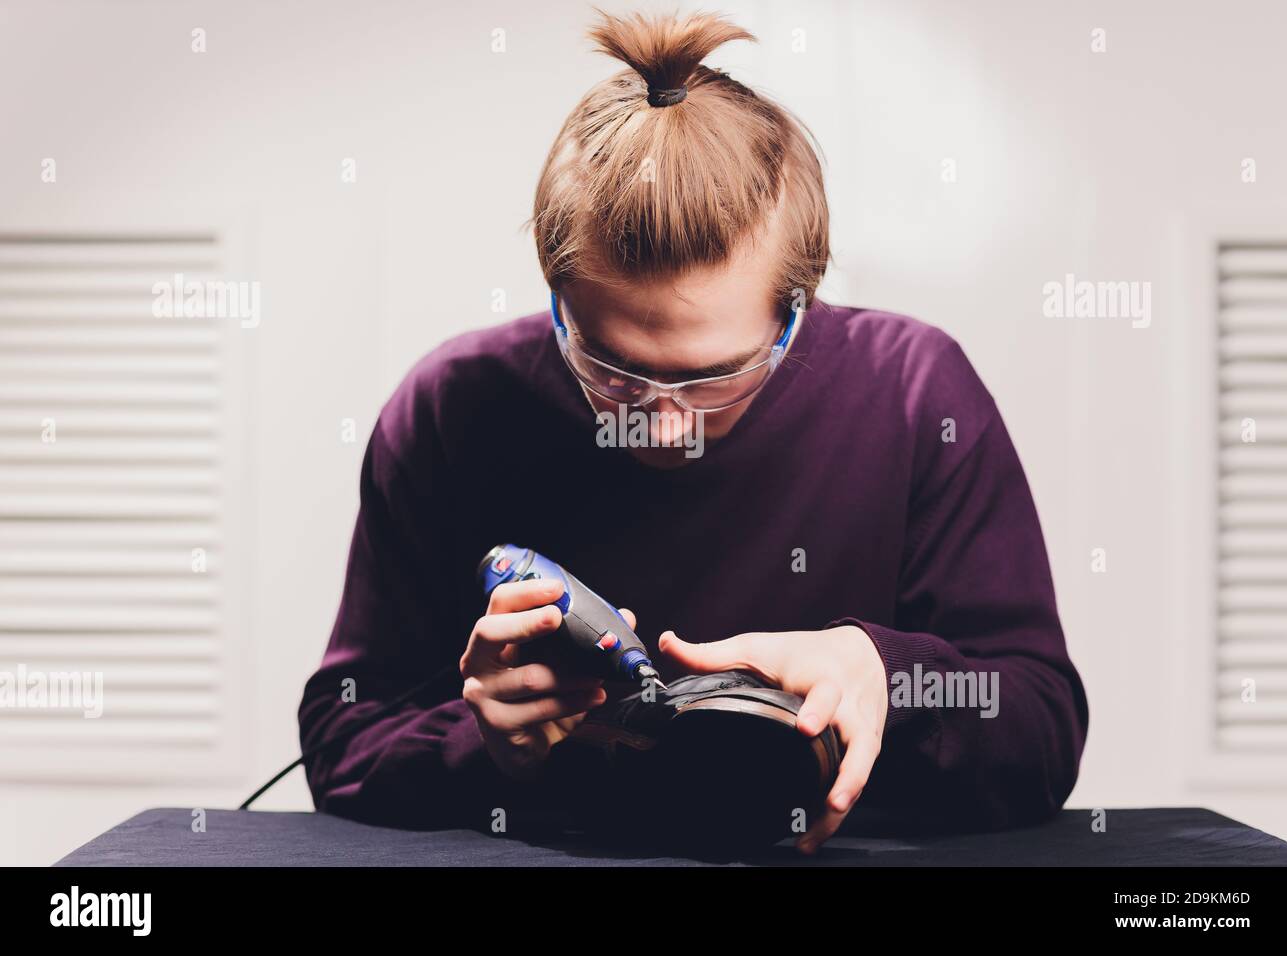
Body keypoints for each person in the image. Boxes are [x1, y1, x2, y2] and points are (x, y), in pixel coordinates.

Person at [298, 10, 1088, 854]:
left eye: (715, 376)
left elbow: (1040, 725)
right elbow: (343, 738)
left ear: (799, 304)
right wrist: (486, 742)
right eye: (611, 367)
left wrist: (887, 677)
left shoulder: (915, 392)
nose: (660, 421)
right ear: (558, 299)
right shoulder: (448, 409)